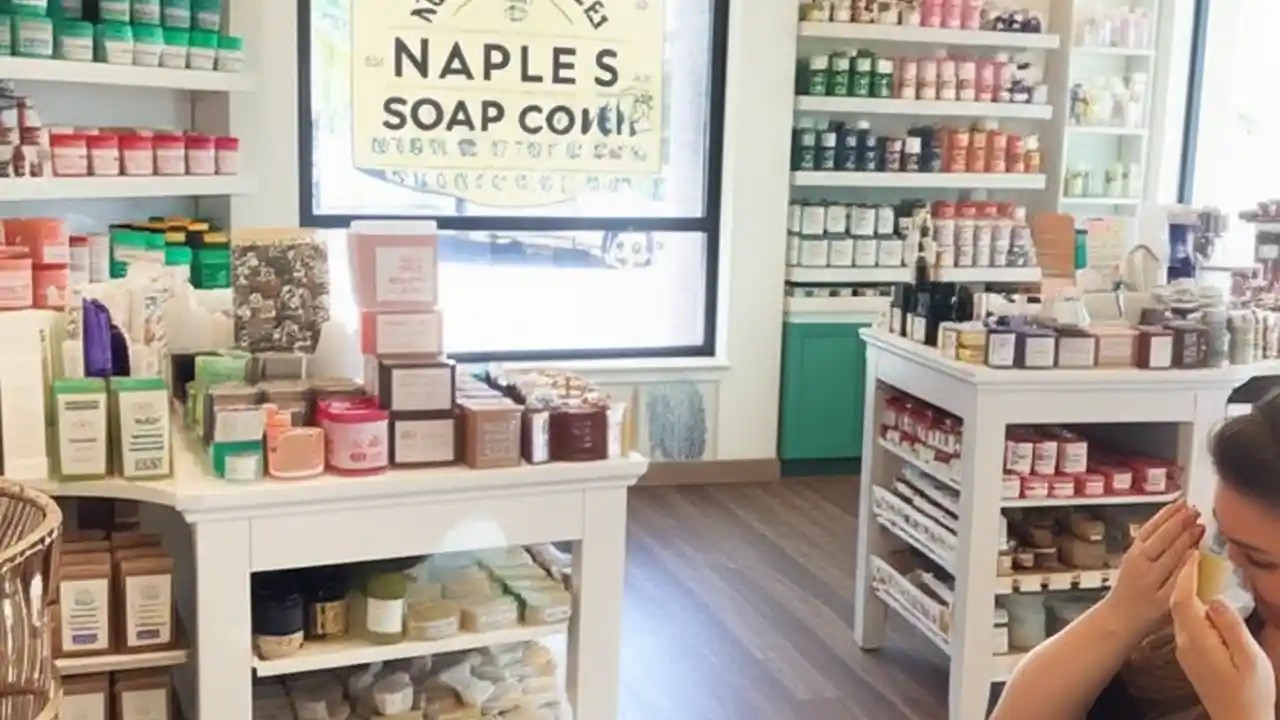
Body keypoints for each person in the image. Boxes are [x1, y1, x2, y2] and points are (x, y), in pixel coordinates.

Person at [991, 395, 1280, 720]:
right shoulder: (1194, 655)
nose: (1231, 563)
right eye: (1222, 537)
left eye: (1262, 560)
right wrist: (1120, 615)